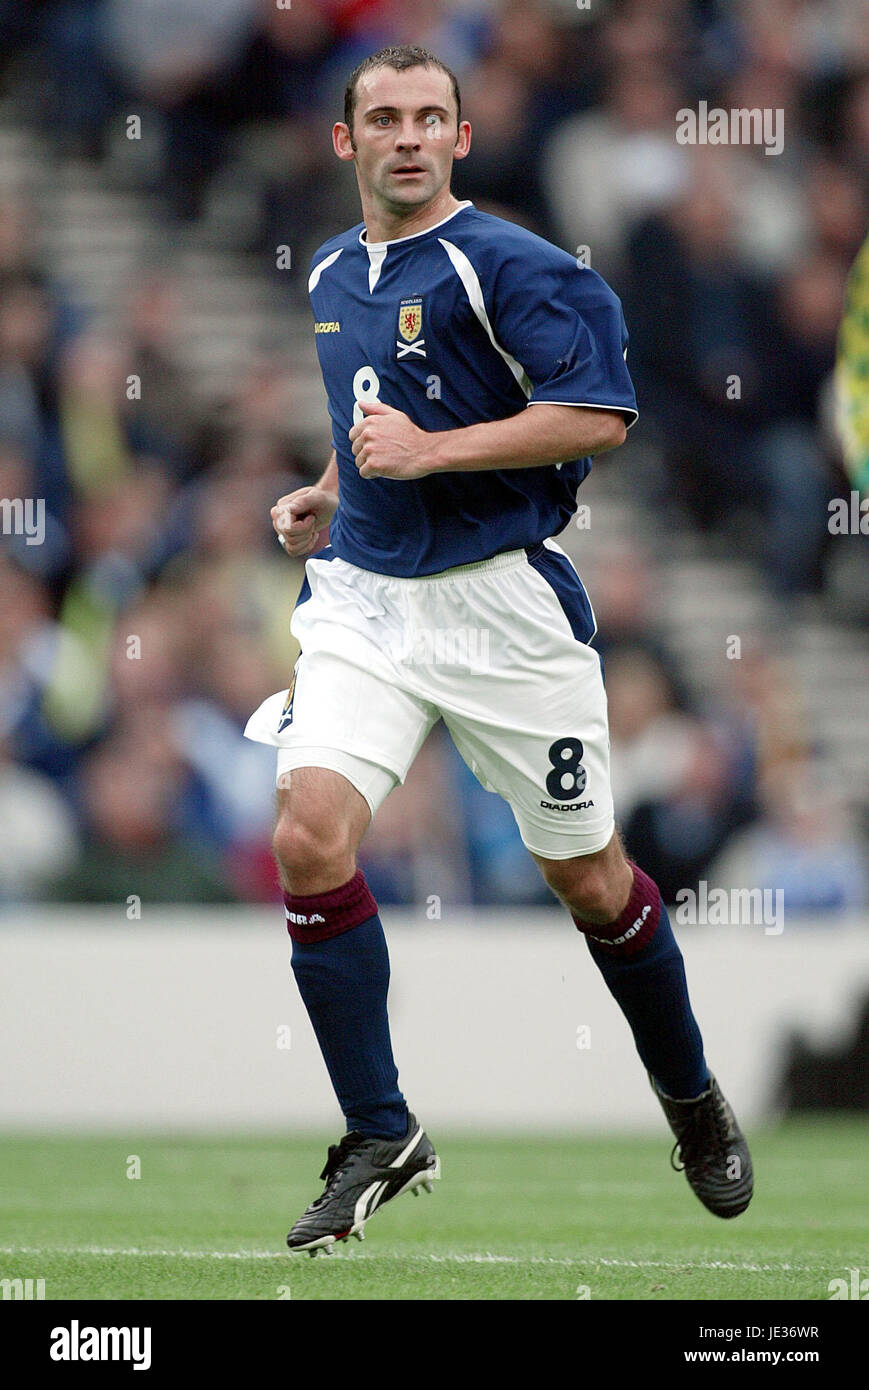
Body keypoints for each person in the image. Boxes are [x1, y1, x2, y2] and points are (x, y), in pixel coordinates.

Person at [244, 45, 753, 1255]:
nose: (408, 136)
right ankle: (380, 1129)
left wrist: (429, 456)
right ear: (344, 141)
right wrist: (330, 486)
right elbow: (370, 409)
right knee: (307, 833)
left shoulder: (508, 263)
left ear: (460, 139)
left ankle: (687, 1094)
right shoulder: (328, 269)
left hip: (501, 613)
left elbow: (597, 413)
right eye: (384, 118)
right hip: (365, 600)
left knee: (590, 882)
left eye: (431, 117)